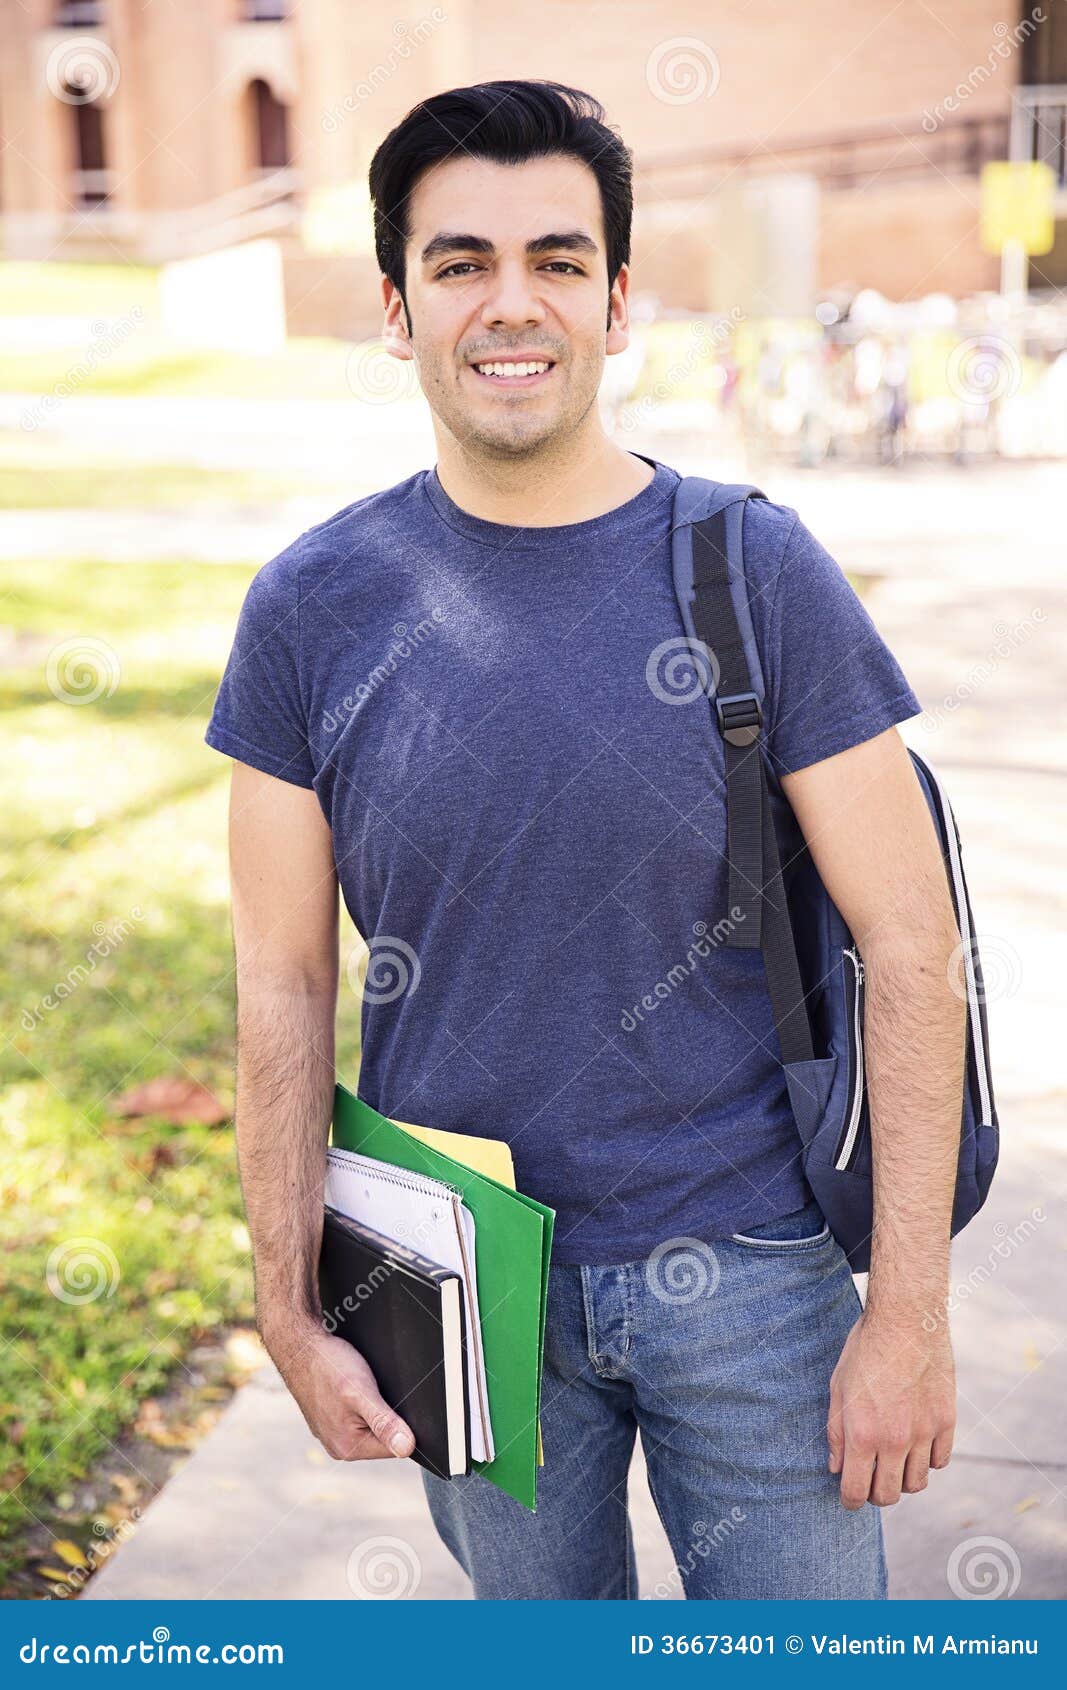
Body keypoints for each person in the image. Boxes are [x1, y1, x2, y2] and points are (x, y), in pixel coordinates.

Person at [204, 80, 965, 1601]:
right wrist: (291, 1301)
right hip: (456, 1267)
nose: (513, 304)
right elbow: (281, 982)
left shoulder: (755, 567)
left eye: (559, 260)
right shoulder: (309, 609)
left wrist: (913, 1314)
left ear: (619, 302)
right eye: (460, 261)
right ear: (395, 305)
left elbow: (914, 944)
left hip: (751, 1272)